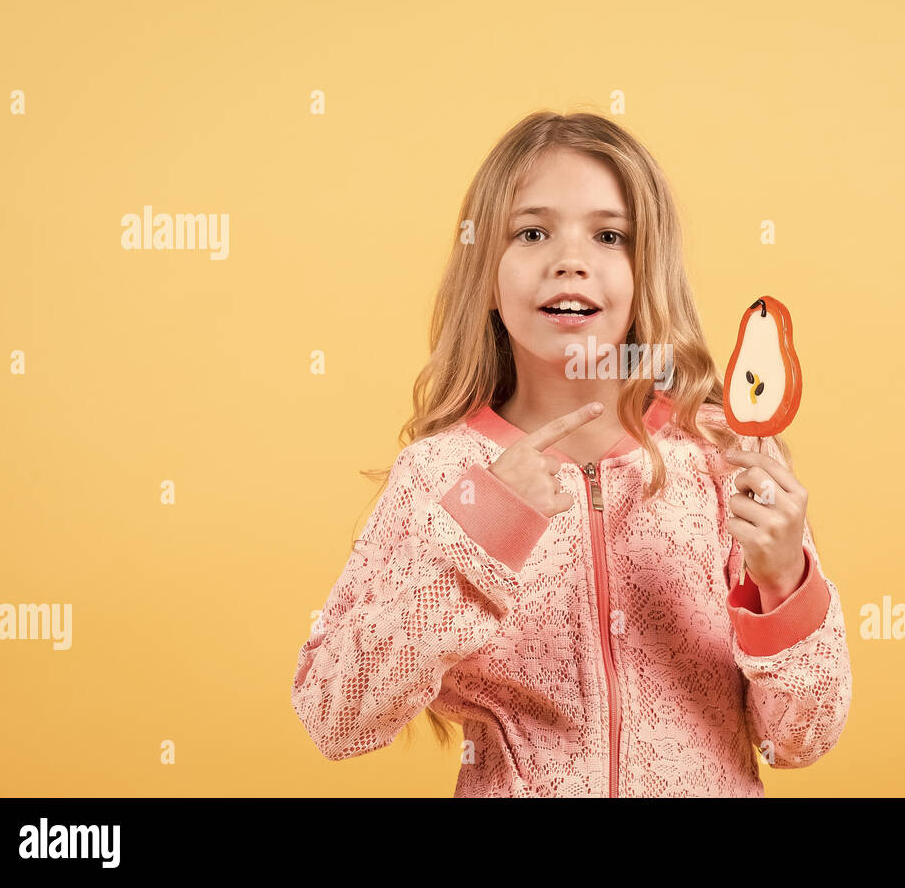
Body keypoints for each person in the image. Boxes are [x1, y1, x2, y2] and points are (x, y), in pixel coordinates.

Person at [289, 110, 853, 796]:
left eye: (609, 235)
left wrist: (783, 579)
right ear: (486, 273)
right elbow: (335, 715)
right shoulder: (439, 476)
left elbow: (800, 738)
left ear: (648, 271)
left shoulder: (718, 458)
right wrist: (484, 536)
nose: (570, 260)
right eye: (532, 232)